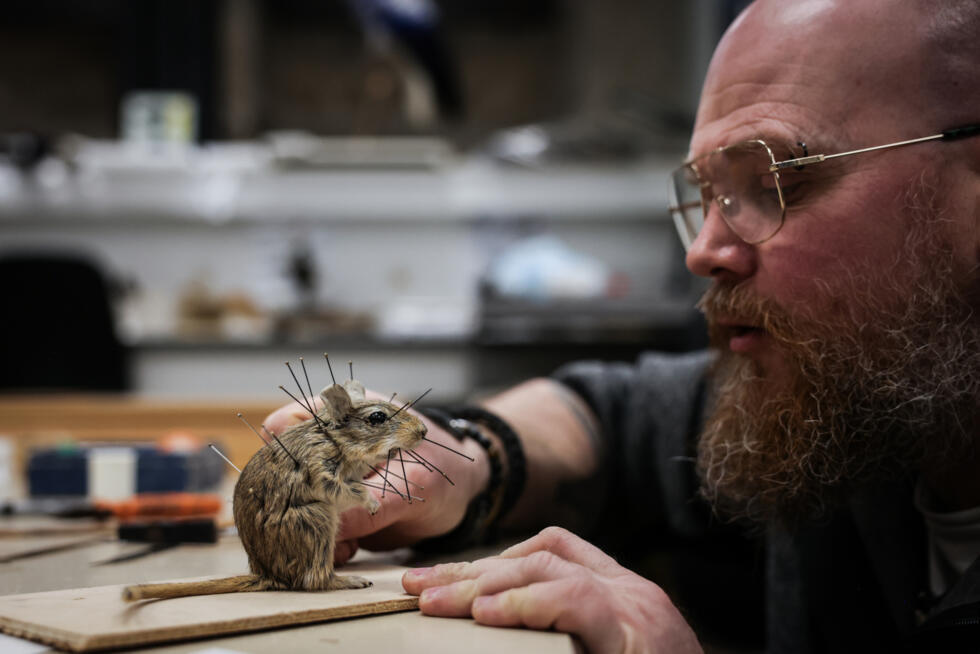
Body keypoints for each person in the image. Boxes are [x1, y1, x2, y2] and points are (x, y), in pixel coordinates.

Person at [265, 0, 980, 650]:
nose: (705, 250)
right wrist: (468, 459)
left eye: (775, 181)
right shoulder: (856, 398)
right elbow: (616, 414)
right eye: (705, 196)